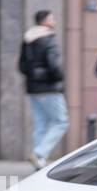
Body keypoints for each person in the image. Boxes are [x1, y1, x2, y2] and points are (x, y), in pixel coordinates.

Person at [19, 9, 68, 168]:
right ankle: (39, 153)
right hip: (49, 88)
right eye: (52, 18)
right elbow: (54, 66)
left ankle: (38, 162)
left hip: (33, 89)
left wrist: (34, 76)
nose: (54, 21)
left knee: (41, 123)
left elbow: (21, 66)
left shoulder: (28, 39)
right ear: (45, 21)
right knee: (61, 122)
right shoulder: (49, 39)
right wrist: (60, 77)